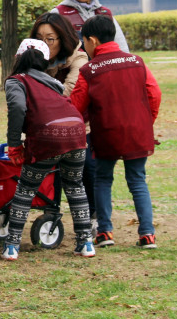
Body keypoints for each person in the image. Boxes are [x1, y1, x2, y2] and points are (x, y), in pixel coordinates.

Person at [70, 15, 162, 250]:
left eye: (84, 43)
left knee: (103, 179)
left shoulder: (89, 70)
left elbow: (77, 105)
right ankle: (147, 234)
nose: (84, 48)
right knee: (138, 180)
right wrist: (146, 122)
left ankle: (105, 231)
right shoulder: (137, 61)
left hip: (106, 133)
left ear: (92, 40)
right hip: (137, 132)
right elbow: (154, 93)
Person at [2, 38, 94, 260]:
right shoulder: (53, 83)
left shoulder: (16, 81)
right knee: (75, 185)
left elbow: (17, 108)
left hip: (48, 137)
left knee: (26, 189)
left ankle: (12, 245)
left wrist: (14, 144)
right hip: (77, 133)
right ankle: (86, 243)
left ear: (17, 58)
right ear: (45, 63)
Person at [29, 12, 96, 223]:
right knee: (50, 172)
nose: (44, 44)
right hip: (46, 127)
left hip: (79, 126)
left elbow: (68, 92)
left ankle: (94, 216)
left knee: (85, 171)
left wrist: (38, 96)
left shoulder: (80, 57)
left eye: (50, 39)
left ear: (62, 38)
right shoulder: (33, 58)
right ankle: (51, 213)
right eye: (39, 39)